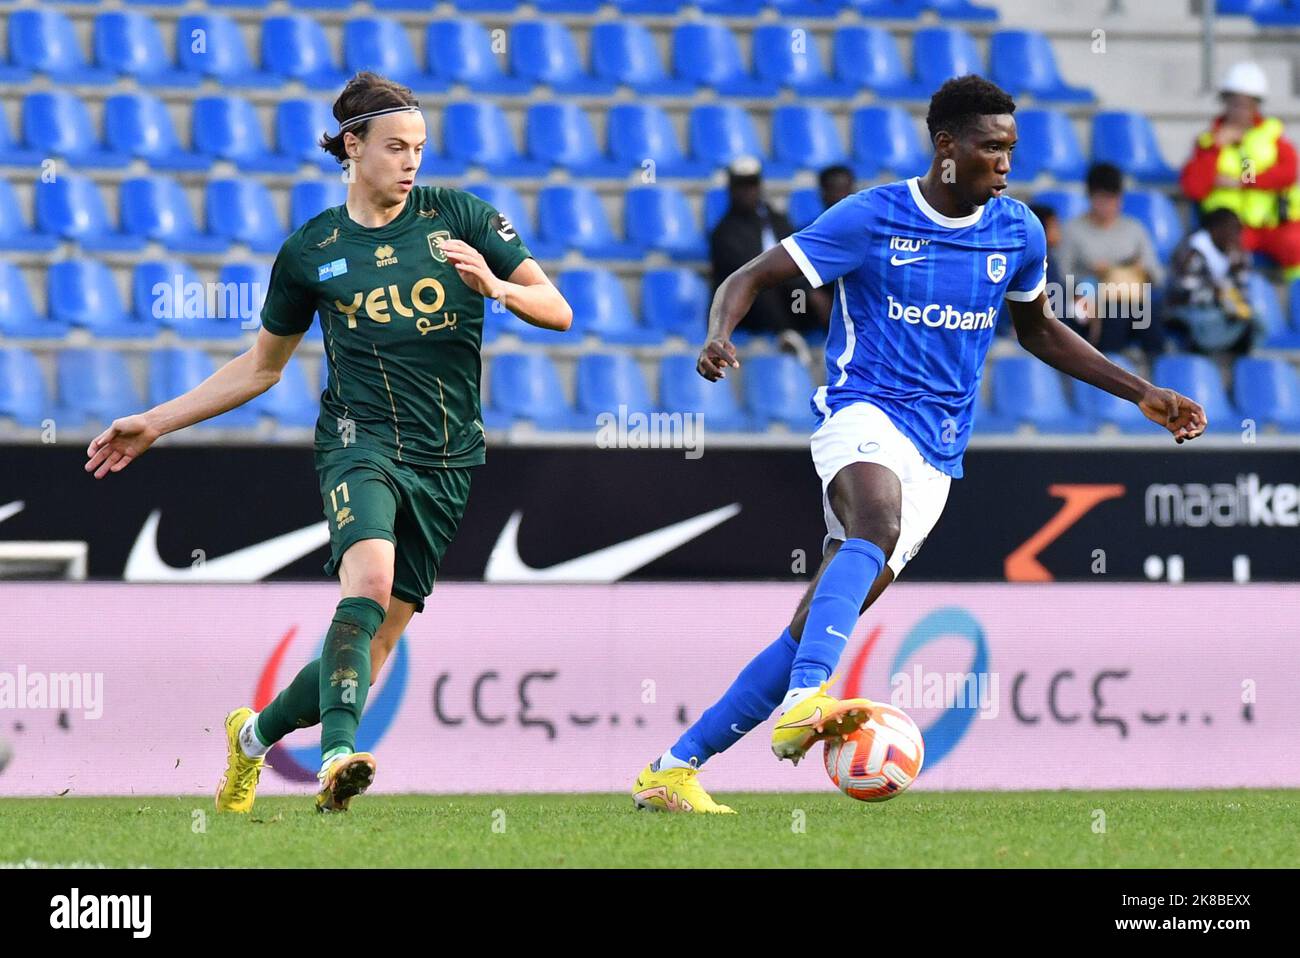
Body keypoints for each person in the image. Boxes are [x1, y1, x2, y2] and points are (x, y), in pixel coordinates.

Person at [632, 75, 1207, 814]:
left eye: (1012, 149)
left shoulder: (1018, 232)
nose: (1005, 162)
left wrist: (1141, 392)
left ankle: (673, 770)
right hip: (861, 411)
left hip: (939, 452)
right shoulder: (872, 218)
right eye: (991, 147)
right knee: (875, 522)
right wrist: (718, 334)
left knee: (814, 625)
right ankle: (810, 700)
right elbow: (752, 274)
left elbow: (1035, 330)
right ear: (946, 147)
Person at [83, 72, 573, 814]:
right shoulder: (312, 250)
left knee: (369, 652)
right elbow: (262, 367)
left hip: (448, 458)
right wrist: (155, 421)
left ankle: (252, 737)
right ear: (354, 147)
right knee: (367, 585)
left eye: (420, 148)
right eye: (396, 147)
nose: (411, 163)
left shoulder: (464, 218)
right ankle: (338, 757)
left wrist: (498, 289)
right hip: (359, 443)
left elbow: (558, 309)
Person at [1180, 61, 1300, 282]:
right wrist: (1216, 148)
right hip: (1232, 227)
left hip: (1273, 223)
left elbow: (1287, 173)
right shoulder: (1208, 142)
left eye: (1246, 104)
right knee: (1224, 250)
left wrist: (1243, 182)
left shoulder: (1271, 135)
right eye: (1234, 103)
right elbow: (1193, 187)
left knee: (1296, 243)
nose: (1239, 110)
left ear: (1256, 105)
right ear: (1225, 103)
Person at [710, 156, 825, 336]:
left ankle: (825, 333)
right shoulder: (724, 233)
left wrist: (808, 289)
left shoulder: (777, 220)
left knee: (815, 285)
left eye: (752, 185)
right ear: (731, 189)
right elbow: (749, 271)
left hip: (790, 296)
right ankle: (787, 334)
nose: (747, 191)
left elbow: (798, 257)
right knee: (758, 282)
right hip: (754, 308)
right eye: (741, 186)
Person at [1056, 162, 1165, 352]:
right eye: (1102, 199)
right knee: (1115, 314)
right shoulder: (1073, 230)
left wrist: (1139, 271)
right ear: (1090, 198)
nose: (1108, 206)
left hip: (1131, 298)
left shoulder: (1133, 229)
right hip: (1093, 303)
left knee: (1148, 318)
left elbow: (1157, 274)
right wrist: (1094, 277)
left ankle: (1159, 369)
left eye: (1113, 199)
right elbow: (1063, 274)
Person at [1166, 208, 1264, 354]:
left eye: (1238, 231)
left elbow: (1242, 291)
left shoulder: (1236, 252)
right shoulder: (1192, 250)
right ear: (1215, 229)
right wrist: (1218, 296)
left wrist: (1236, 268)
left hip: (1220, 309)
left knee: (1255, 319)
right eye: (1231, 230)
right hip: (1187, 309)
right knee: (1207, 319)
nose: (1235, 236)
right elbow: (1184, 292)